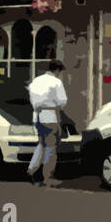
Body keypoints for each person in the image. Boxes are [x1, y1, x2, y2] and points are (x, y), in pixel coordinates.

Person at [26, 59, 67, 187]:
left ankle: (31, 170)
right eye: (60, 72)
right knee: (50, 147)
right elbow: (62, 101)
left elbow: (32, 98)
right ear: (57, 70)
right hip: (50, 116)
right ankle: (47, 177)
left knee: (42, 144)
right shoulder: (56, 82)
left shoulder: (36, 81)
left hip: (37, 116)